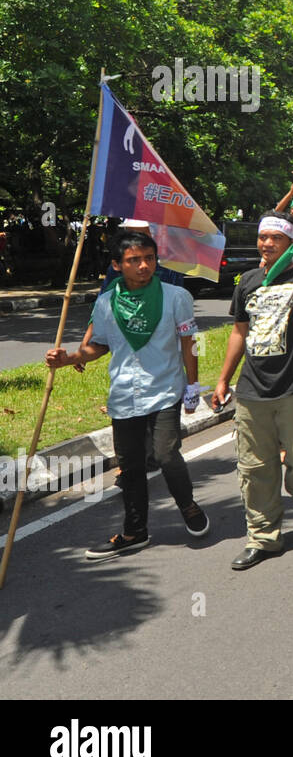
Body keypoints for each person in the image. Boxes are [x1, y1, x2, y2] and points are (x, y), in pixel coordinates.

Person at [46, 229, 209, 559]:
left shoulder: (176, 297)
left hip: (165, 389)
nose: (144, 266)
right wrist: (70, 358)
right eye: (134, 260)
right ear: (117, 265)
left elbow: (189, 343)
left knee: (165, 454)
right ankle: (135, 532)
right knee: (131, 466)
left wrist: (193, 384)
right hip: (124, 394)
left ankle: (188, 506)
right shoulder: (106, 303)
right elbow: (98, 346)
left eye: (149, 258)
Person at [212, 208, 293, 570]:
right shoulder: (248, 280)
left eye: (276, 238)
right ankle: (264, 538)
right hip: (252, 391)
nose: (267, 243)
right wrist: (223, 379)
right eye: (263, 237)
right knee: (254, 468)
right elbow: (239, 332)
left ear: (290, 242)